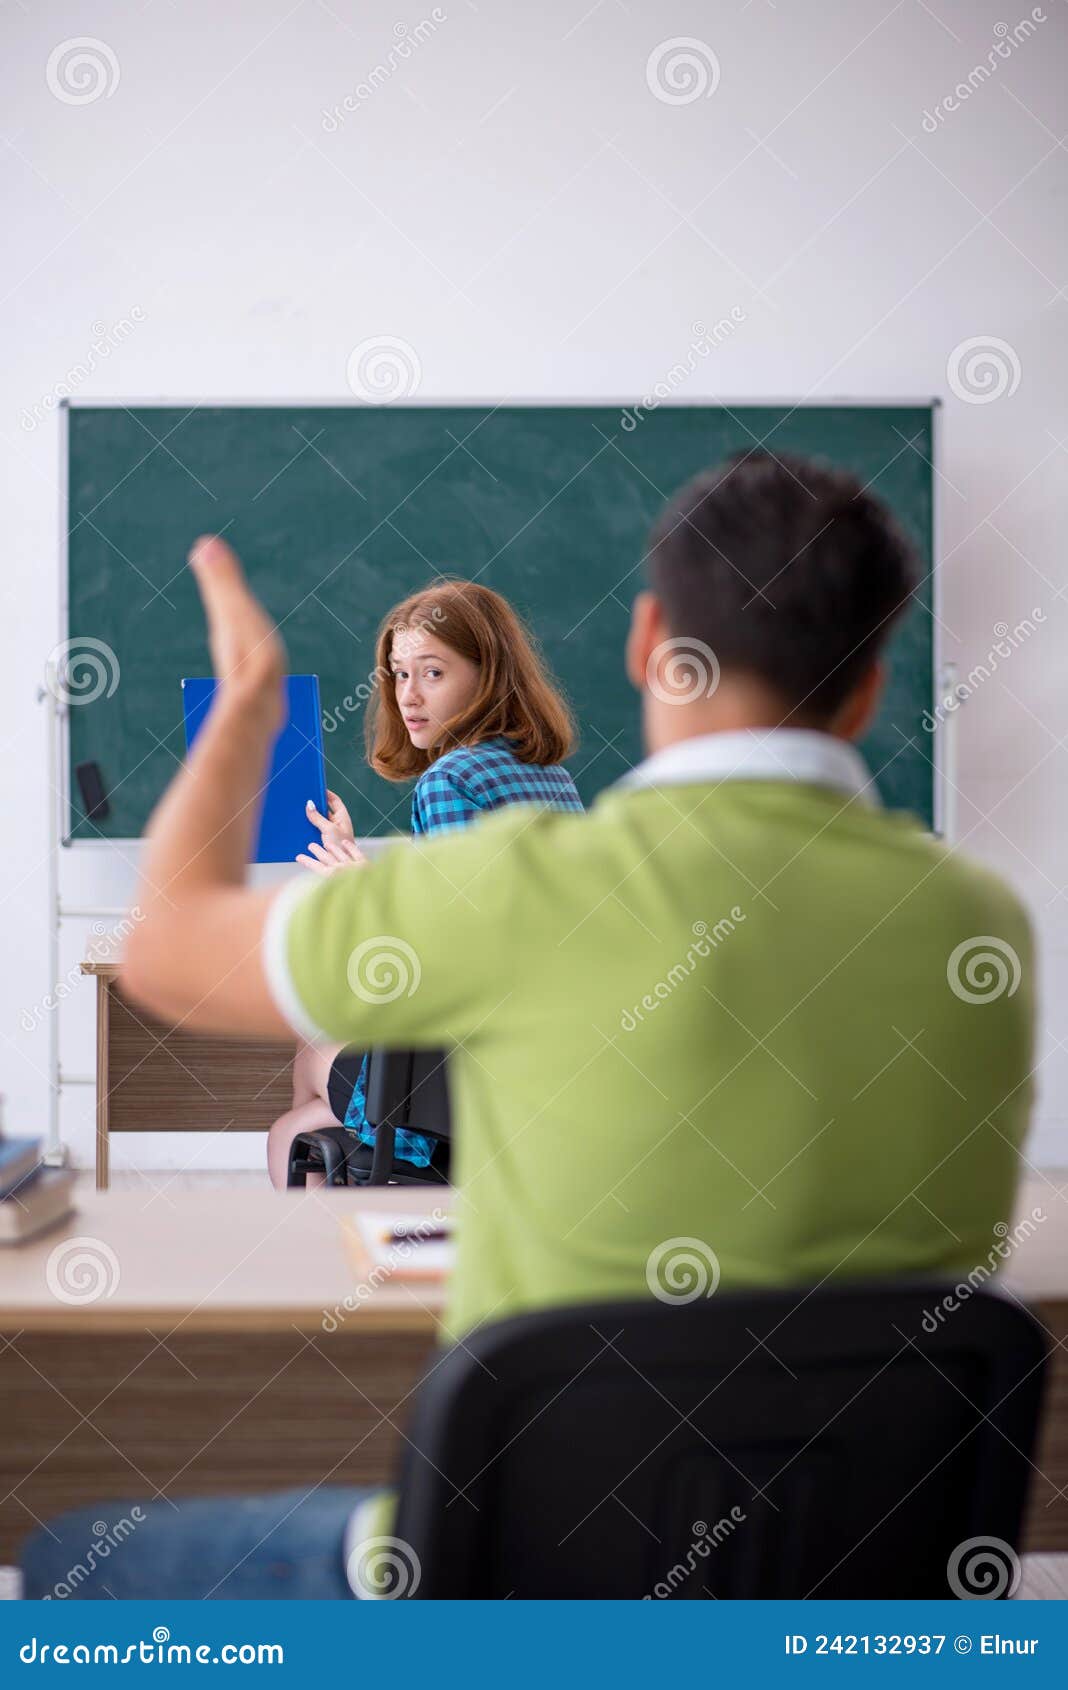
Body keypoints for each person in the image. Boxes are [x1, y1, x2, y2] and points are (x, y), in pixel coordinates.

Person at [23, 451, 1035, 1598]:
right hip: (851, 1581)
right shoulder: (978, 922)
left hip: (515, 1576)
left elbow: (164, 950)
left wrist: (250, 705)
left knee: (69, 1562)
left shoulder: (525, 883)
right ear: (869, 683)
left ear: (650, 638)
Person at [265, 580, 583, 1187]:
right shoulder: (548, 774)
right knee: (307, 1109)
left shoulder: (450, 780)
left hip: (465, 1082)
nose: (408, 696)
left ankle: (350, 1259)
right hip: (542, 1065)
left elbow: (452, 949)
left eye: (432, 673)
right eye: (397, 674)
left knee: (302, 1089)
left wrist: (362, 892)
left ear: (487, 674)